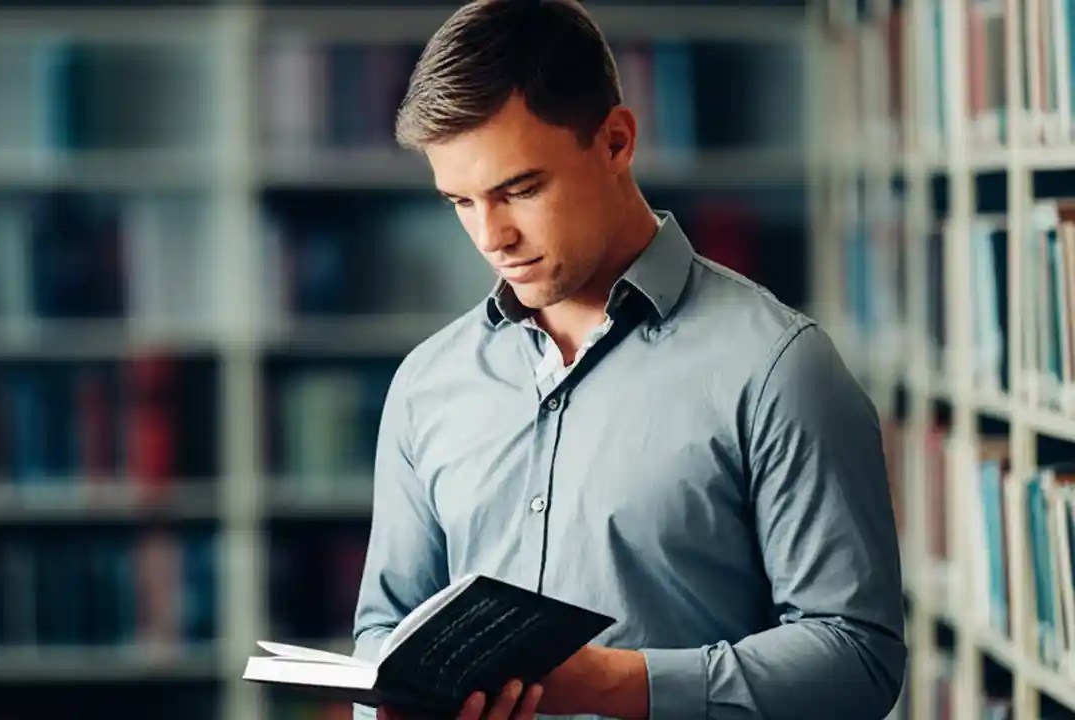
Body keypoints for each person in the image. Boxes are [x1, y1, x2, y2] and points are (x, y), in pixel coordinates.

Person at [351, 1, 907, 718]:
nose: (492, 235)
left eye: (519, 189)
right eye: (460, 200)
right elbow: (384, 628)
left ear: (615, 142)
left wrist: (615, 684)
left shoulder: (779, 369)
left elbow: (858, 656)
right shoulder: (426, 385)